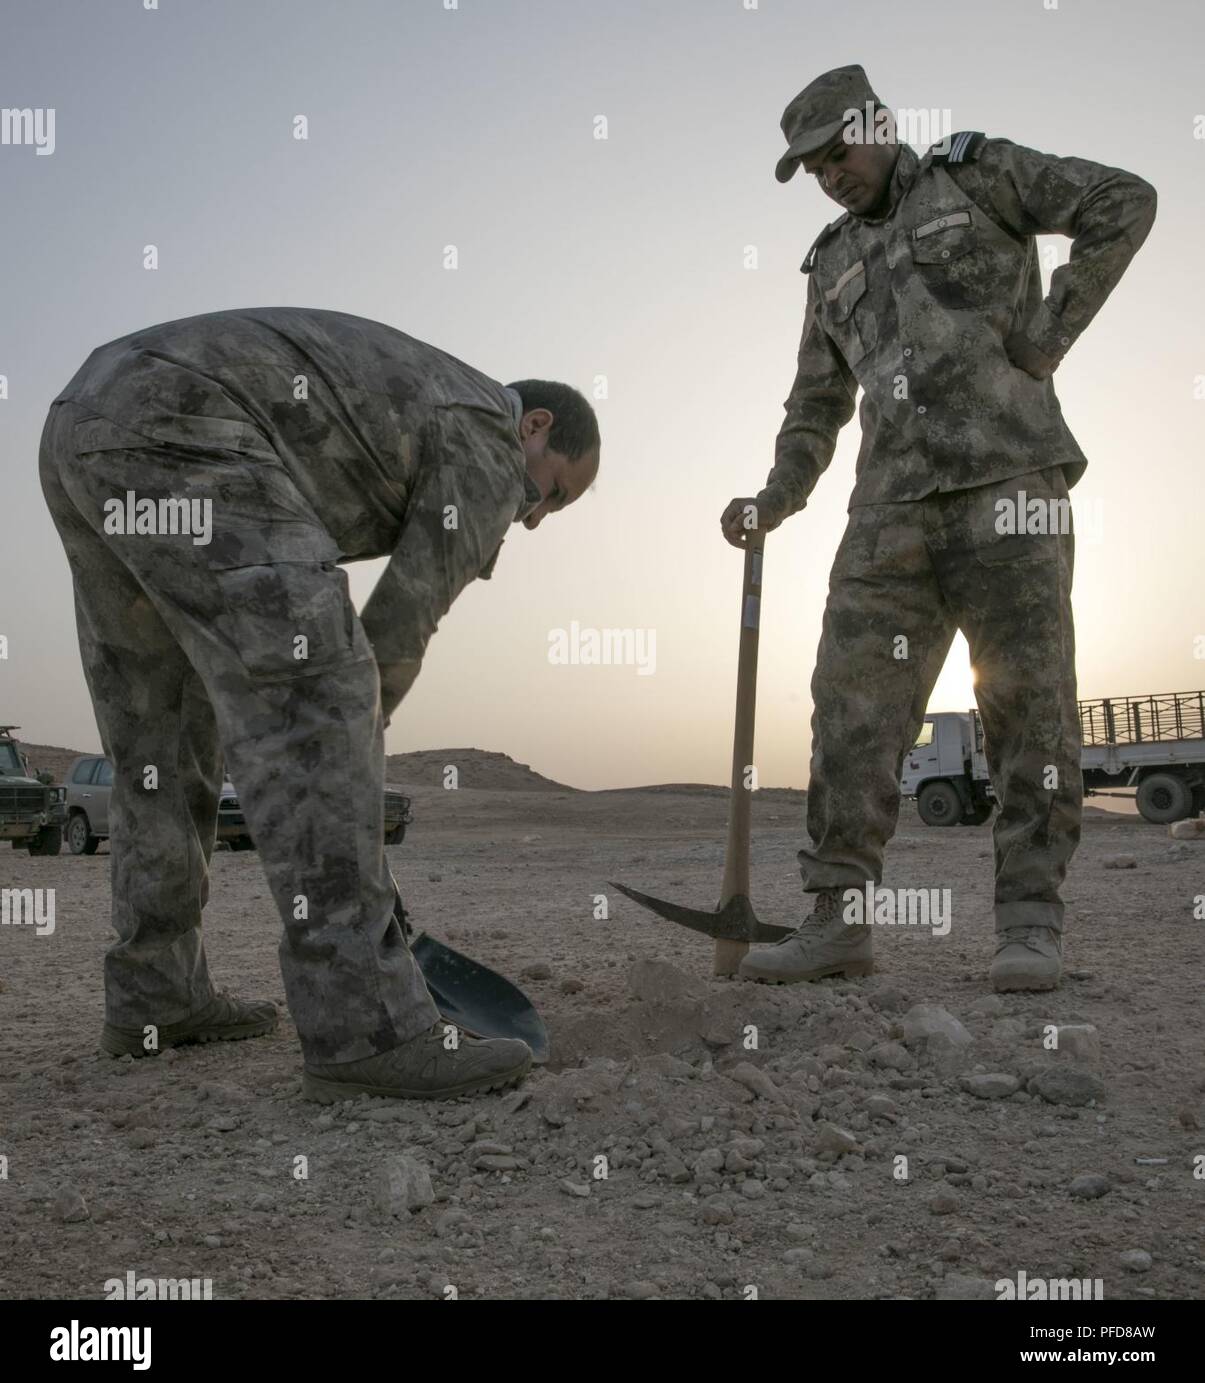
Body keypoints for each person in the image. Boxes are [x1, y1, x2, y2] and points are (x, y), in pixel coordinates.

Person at [39, 307, 599, 1099]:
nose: (536, 517)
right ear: (534, 427)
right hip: (187, 420)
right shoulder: (487, 433)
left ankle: (155, 998)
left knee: (160, 740)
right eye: (554, 492)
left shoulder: (427, 398)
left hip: (86, 421)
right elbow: (397, 630)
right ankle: (367, 1031)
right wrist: (347, 755)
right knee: (322, 698)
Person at [721, 65, 1155, 992]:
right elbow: (814, 403)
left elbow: (1121, 200)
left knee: (1028, 708)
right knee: (850, 710)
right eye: (812, 168)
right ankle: (840, 921)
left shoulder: (979, 174)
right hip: (886, 516)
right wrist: (775, 497)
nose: (829, 176)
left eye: (837, 153)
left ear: (879, 125)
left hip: (1010, 484)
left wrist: (1049, 333)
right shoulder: (828, 263)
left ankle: (1029, 923)